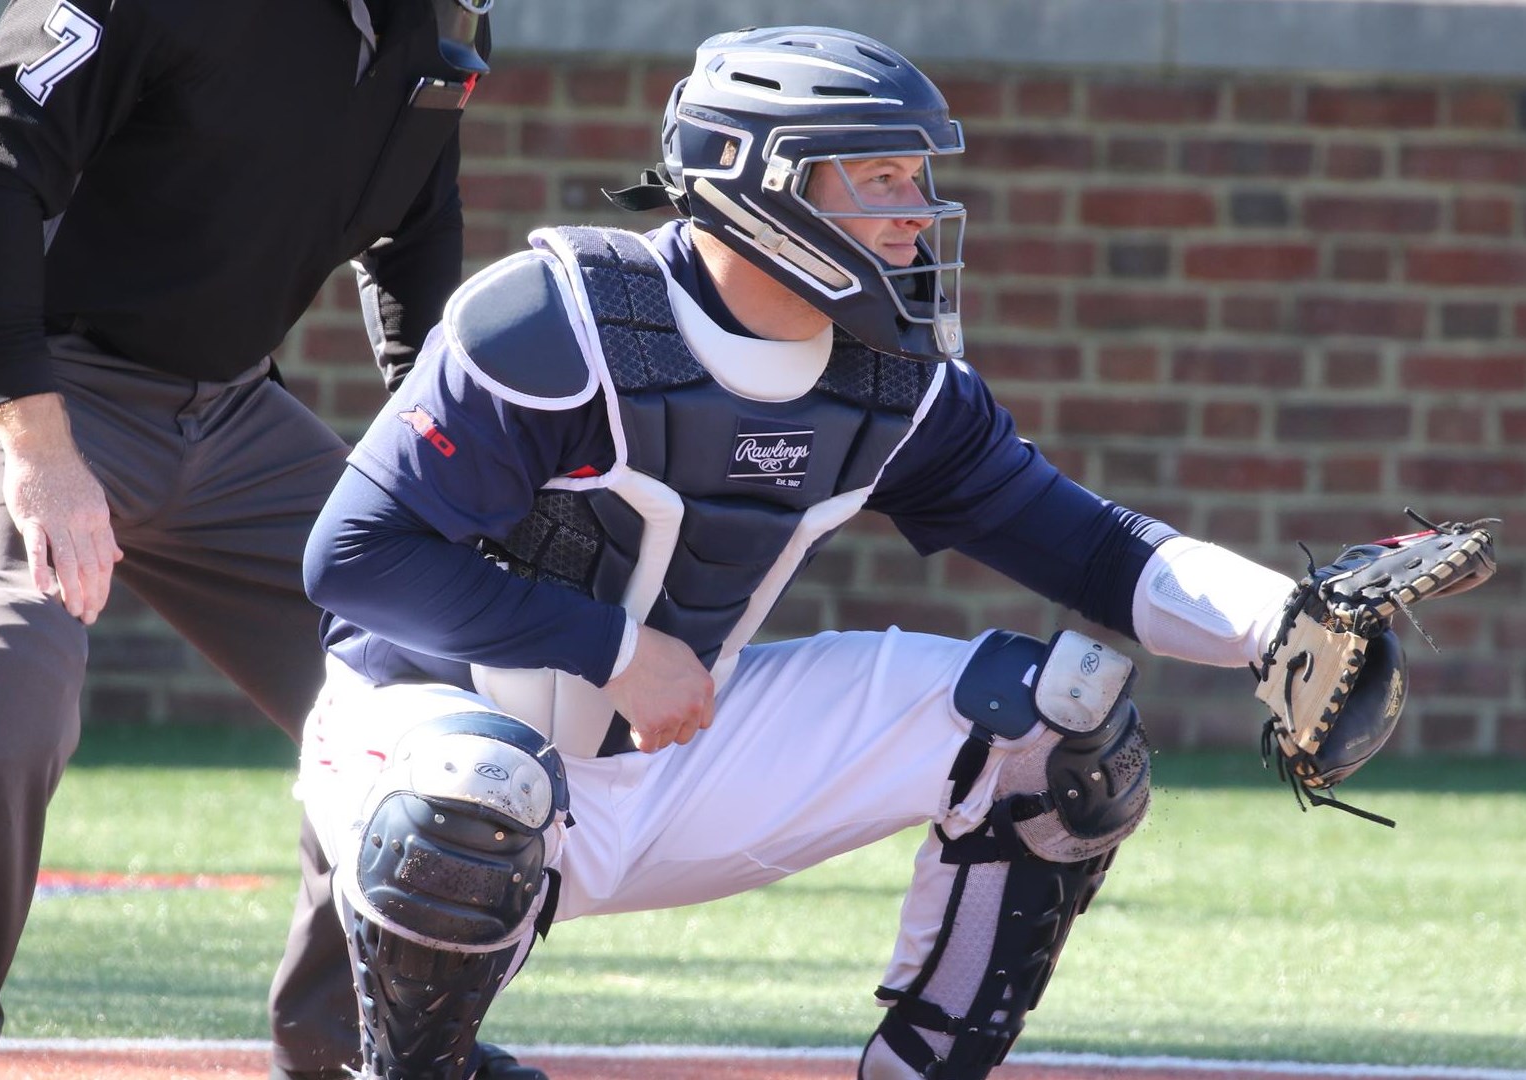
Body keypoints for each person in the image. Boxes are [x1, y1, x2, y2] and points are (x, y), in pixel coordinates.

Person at [292, 25, 1404, 1080]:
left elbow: (1092, 546)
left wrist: (1276, 628)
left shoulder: (896, 383)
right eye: (880, 179)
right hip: (426, 747)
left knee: (1059, 721)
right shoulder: (552, 321)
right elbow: (353, 558)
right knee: (475, 788)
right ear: (755, 178)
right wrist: (613, 648)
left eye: (918, 181)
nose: (917, 214)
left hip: (672, 753)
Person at [0, 2, 546, 1079]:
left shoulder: (437, 16)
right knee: (11, 655)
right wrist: (44, 449)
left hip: (232, 410)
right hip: (30, 385)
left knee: (442, 679)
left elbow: (415, 233)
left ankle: (360, 1038)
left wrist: (447, 471)